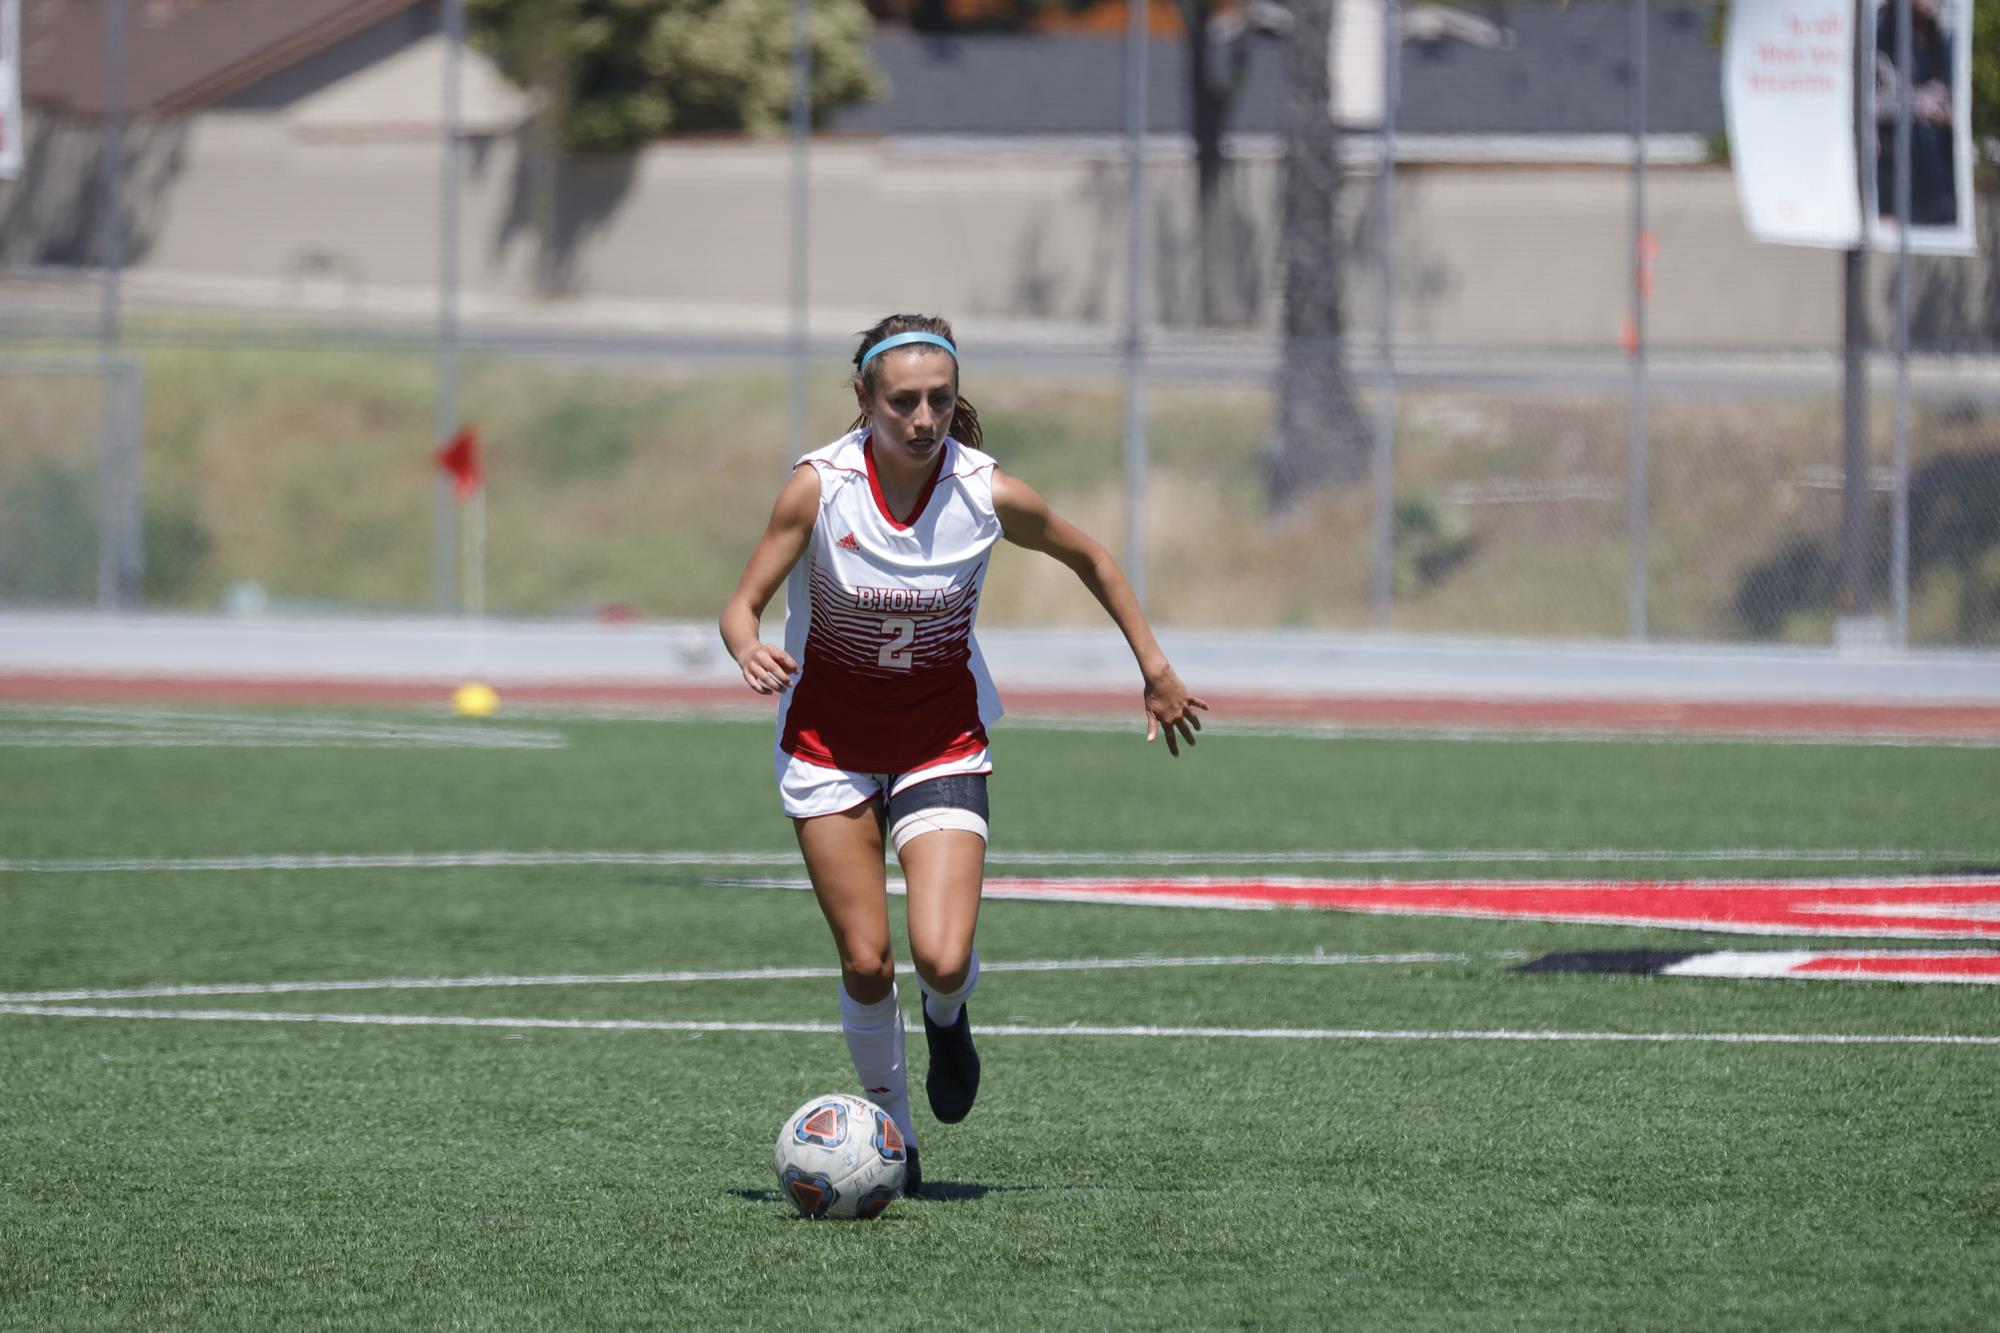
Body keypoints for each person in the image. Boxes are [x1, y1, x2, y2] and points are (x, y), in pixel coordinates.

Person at [718, 314, 1207, 1197]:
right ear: (864, 400)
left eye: (939, 399)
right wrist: (747, 644)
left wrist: (1156, 668)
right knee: (867, 959)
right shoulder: (818, 488)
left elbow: (1090, 556)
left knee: (940, 957)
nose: (923, 417)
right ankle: (894, 1137)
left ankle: (949, 1015)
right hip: (828, 743)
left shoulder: (986, 491)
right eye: (902, 401)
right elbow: (741, 603)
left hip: (941, 737)